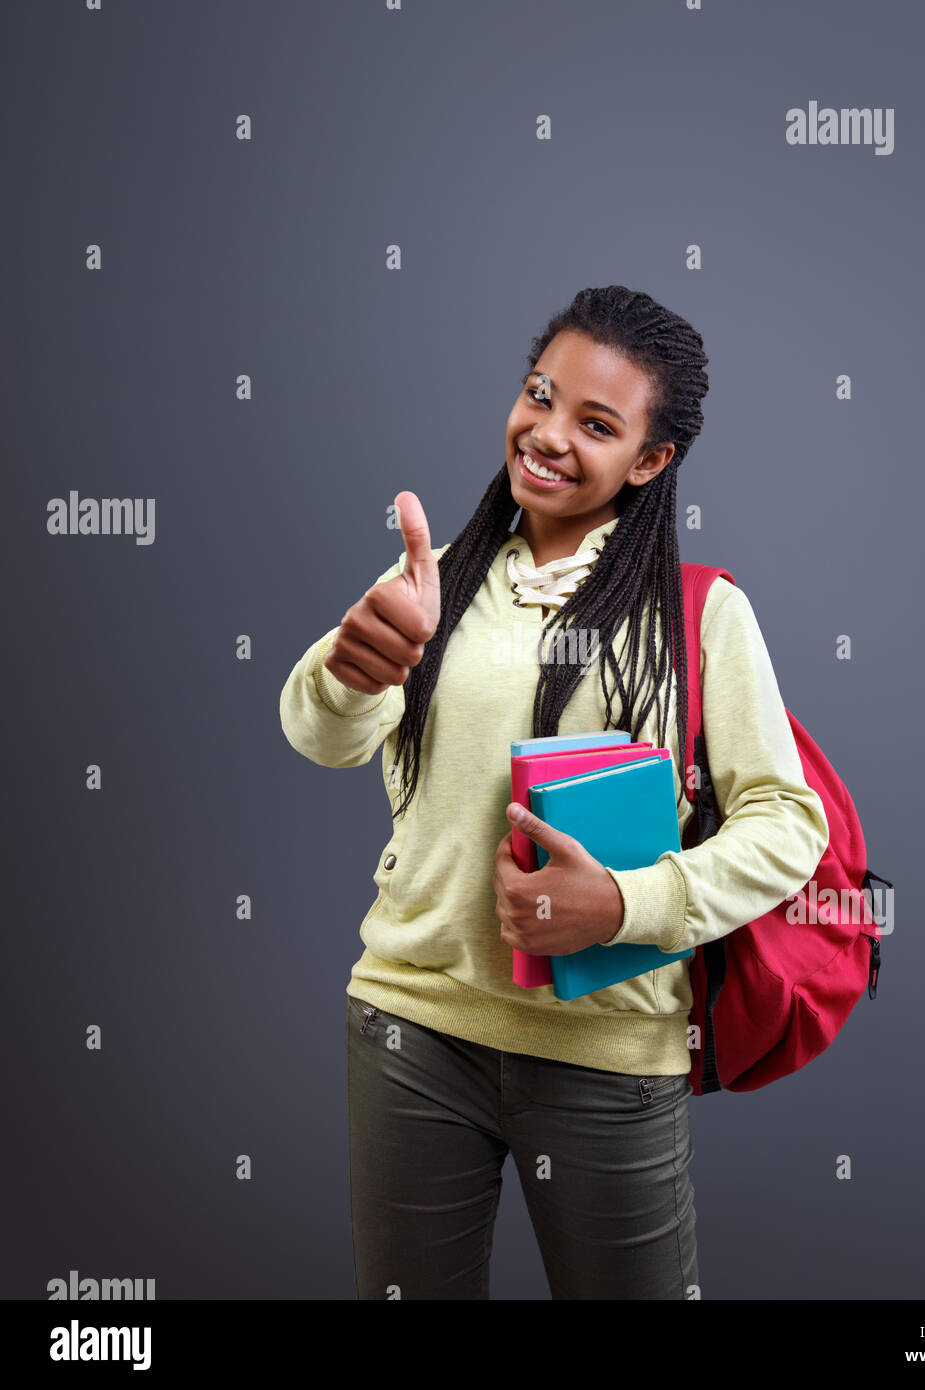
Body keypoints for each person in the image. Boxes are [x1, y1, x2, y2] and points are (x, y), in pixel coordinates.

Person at [279, 285, 830, 1300]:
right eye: (541, 394)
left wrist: (625, 903)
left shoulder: (700, 614)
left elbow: (789, 824)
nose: (548, 434)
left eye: (598, 424)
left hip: (608, 1051)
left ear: (650, 460)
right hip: (410, 1028)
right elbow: (320, 737)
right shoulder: (435, 576)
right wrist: (350, 676)